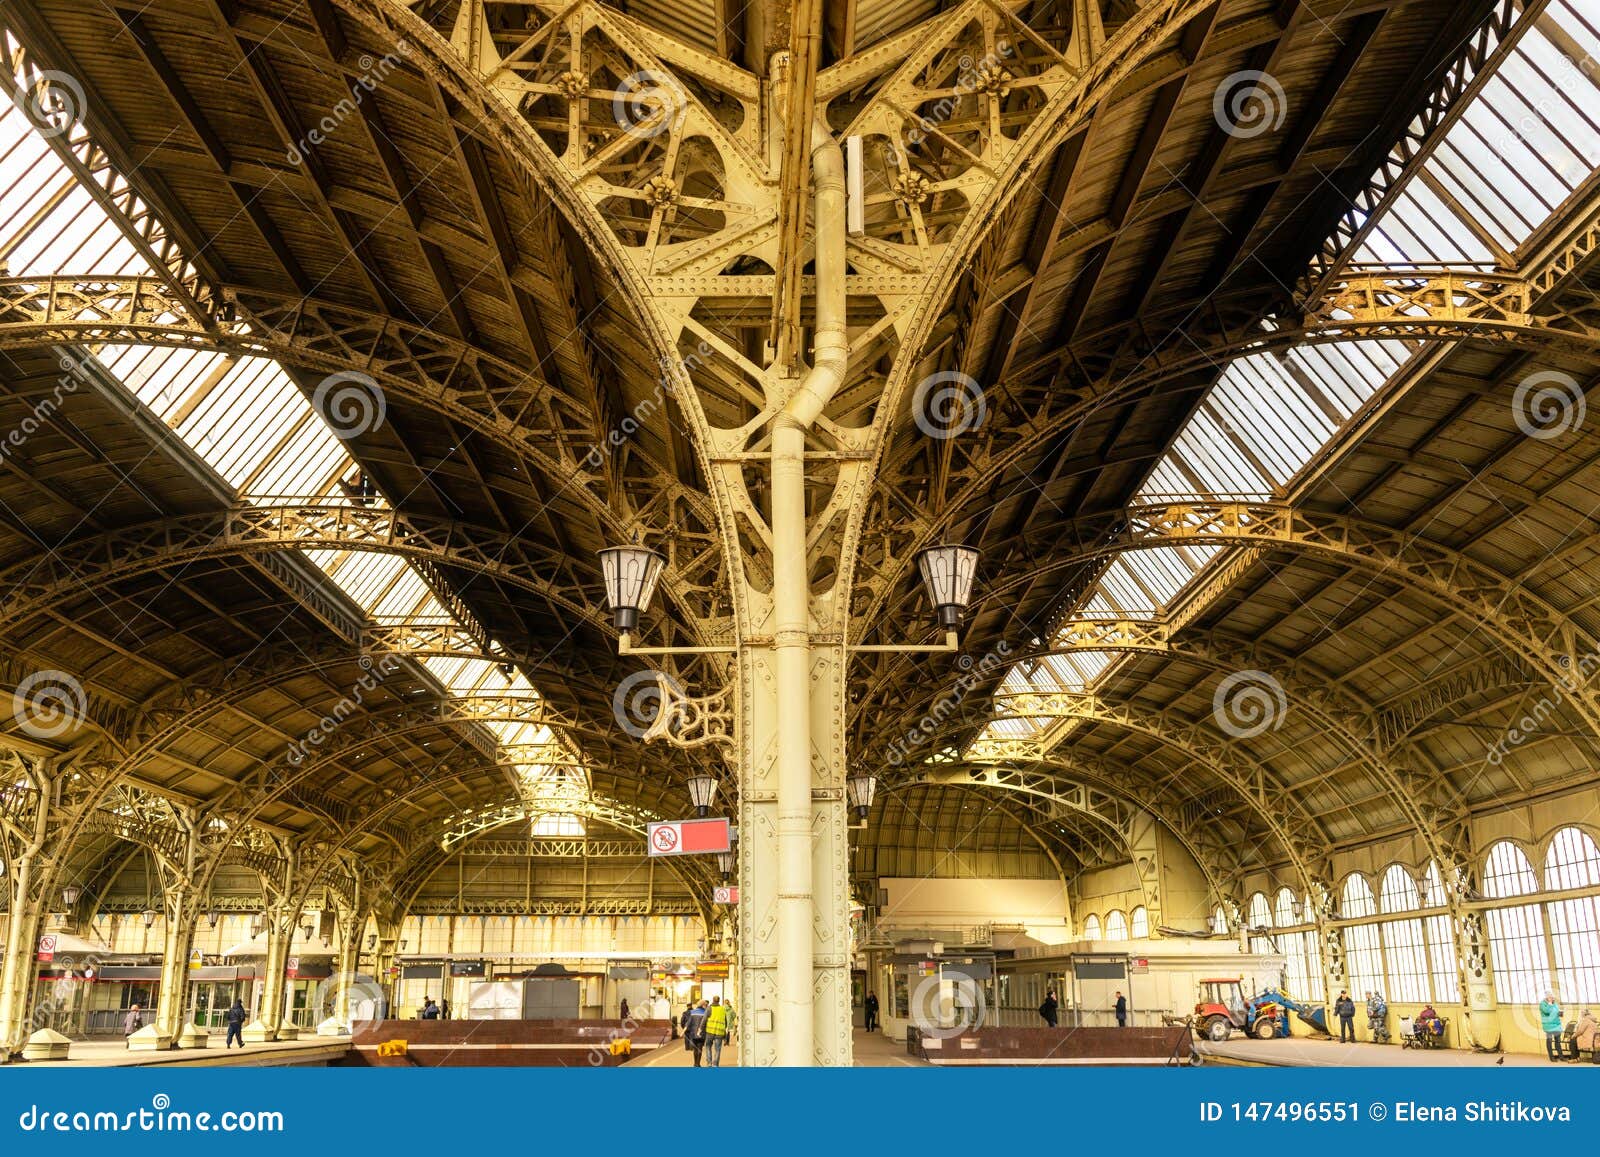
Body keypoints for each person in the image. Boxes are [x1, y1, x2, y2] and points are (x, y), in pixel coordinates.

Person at [704, 995, 733, 1067]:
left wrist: (700, 1028)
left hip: (710, 1032)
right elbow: (725, 1020)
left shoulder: (709, 1008)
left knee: (708, 1047)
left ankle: (709, 1063)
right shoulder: (722, 1009)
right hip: (719, 1032)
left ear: (713, 1000)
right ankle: (715, 1064)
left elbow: (704, 1019)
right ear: (719, 1001)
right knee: (717, 1049)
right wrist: (724, 1028)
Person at [683, 999, 709, 1067]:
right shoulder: (705, 1012)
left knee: (695, 1049)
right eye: (705, 1005)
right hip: (701, 1033)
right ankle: (698, 1063)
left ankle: (695, 1063)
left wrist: (684, 1030)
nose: (706, 1006)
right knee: (700, 1048)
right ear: (703, 1005)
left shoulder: (692, 1012)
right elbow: (707, 1023)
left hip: (693, 1033)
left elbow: (689, 1023)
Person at [1540, 992, 1564, 1062]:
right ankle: (1551, 1057)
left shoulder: (1555, 1004)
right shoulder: (1542, 1004)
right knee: (1549, 1041)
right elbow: (1547, 1011)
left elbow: (1556, 1012)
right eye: (1551, 997)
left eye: (1553, 997)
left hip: (1556, 1025)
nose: (1553, 999)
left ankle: (1561, 1057)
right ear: (1547, 998)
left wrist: (1560, 1013)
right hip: (1548, 1025)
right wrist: (1550, 1003)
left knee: (1558, 1041)